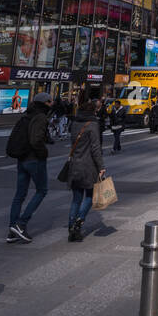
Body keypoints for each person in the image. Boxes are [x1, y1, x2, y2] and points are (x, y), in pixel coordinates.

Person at [6, 92, 52, 243]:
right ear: (45, 103)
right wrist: (43, 153)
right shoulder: (41, 117)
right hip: (34, 159)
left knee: (20, 194)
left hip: (22, 158)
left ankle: (12, 230)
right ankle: (21, 224)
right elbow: (35, 140)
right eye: (50, 101)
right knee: (42, 190)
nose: (52, 103)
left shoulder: (27, 115)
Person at [63, 95, 105, 242]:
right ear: (93, 112)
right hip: (88, 166)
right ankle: (78, 223)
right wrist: (101, 167)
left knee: (76, 199)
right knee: (89, 196)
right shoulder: (92, 124)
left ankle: (71, 227)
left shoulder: (75, 123)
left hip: (74, 164)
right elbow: (95, 148)